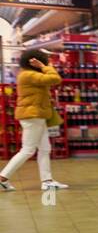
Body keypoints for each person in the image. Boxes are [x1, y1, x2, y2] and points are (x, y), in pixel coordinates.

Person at [0, 47, 68, 192]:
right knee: (28, 150)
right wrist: (44, 67)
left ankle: (47, 181)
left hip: (36, 115)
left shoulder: (26, 74)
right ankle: (2, 178)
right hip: (32, 115)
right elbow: (55, 79)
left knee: (44, 148)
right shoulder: (28, 75)